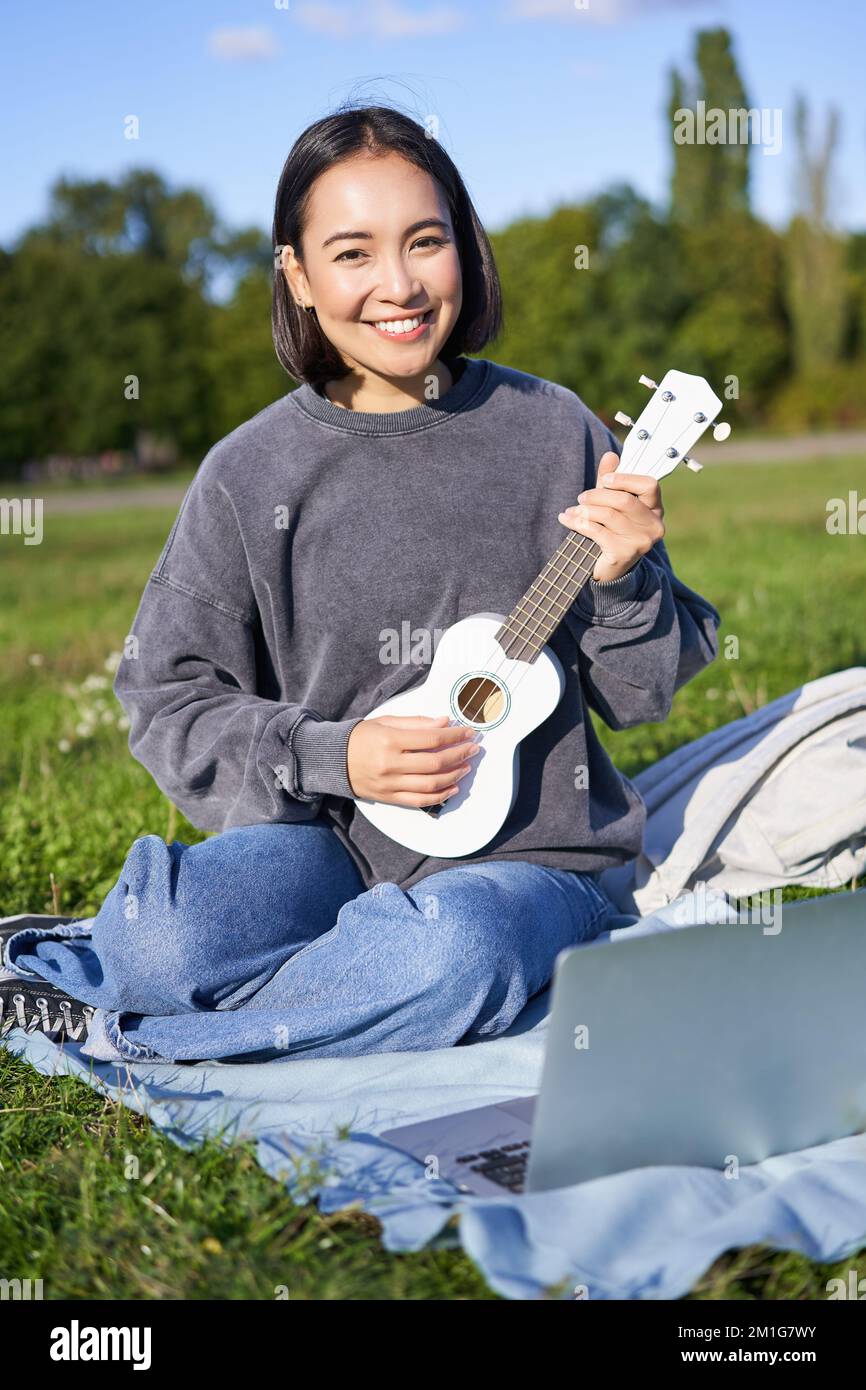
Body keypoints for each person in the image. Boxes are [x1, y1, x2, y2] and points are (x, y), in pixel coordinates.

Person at [1, 105, 720, 1064]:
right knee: (163, 938)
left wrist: (629, 584)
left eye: (427, 241)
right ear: (296, 275)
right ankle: (172, 975)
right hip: (326, 845)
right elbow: (166, 695)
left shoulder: (556, 431)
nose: (399, 285)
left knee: (455, 956)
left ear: (464, 245)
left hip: (531, 866)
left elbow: (642, 697)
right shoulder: (247, 472)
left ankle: (134, 1030)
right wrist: (334, 756)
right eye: (352, 253)